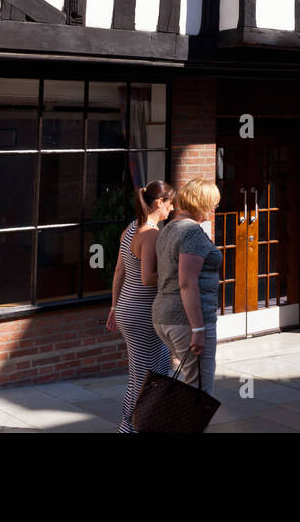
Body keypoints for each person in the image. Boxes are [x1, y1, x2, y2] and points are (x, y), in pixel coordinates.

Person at [107, 180, 175, 433]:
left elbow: (118, 271)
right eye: (170, 204)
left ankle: (130, 426)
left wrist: (114, 308)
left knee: (142, 375)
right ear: (159, 202)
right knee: (150, 377)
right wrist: (176, 273)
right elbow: (148, 278)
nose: (171, 209)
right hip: (142, 313)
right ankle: (131, 428)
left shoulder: (130, 229)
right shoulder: (151, 233)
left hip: (127, 309)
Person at [153, 178, 223, 396]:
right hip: (186, 320)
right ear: (201, 203)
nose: (214, 208)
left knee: (190, 384)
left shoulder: (170, 227)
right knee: (199, 393)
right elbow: (186, 283)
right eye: (213, 203)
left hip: (165, 315)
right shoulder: (191, 232)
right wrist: (198, 329)